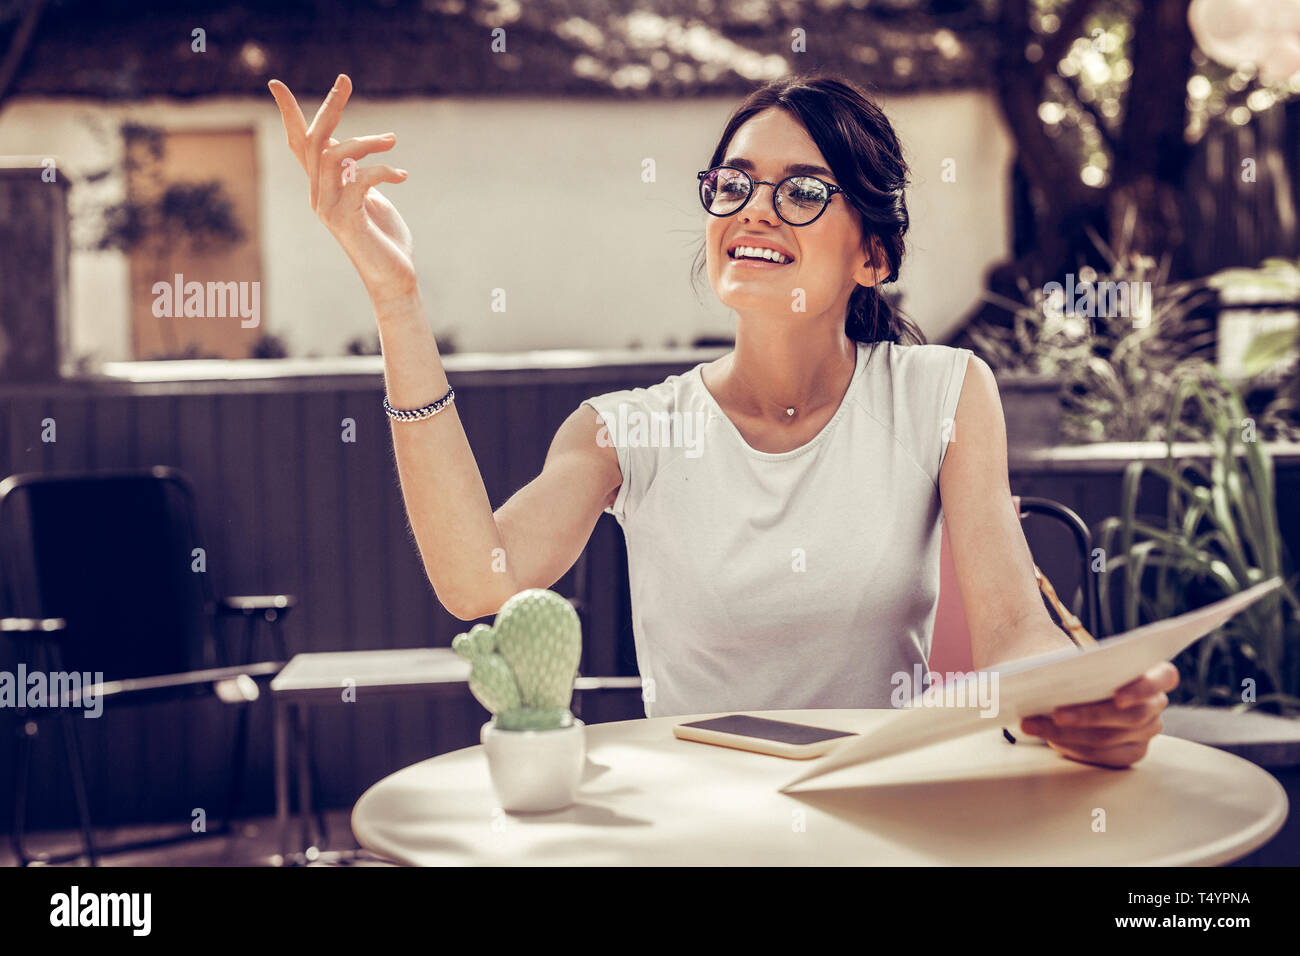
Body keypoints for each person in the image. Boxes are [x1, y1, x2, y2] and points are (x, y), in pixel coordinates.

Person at [268, 70, 1176, 769]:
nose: (754, 210)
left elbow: (1015, 628)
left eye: (802, 191)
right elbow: (480, 579)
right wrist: (396, 299)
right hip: (692, 824)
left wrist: (1080, 697)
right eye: (733, 184)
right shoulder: (625, 430)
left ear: (874, 254)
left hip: (877, 811)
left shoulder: (942, 393)